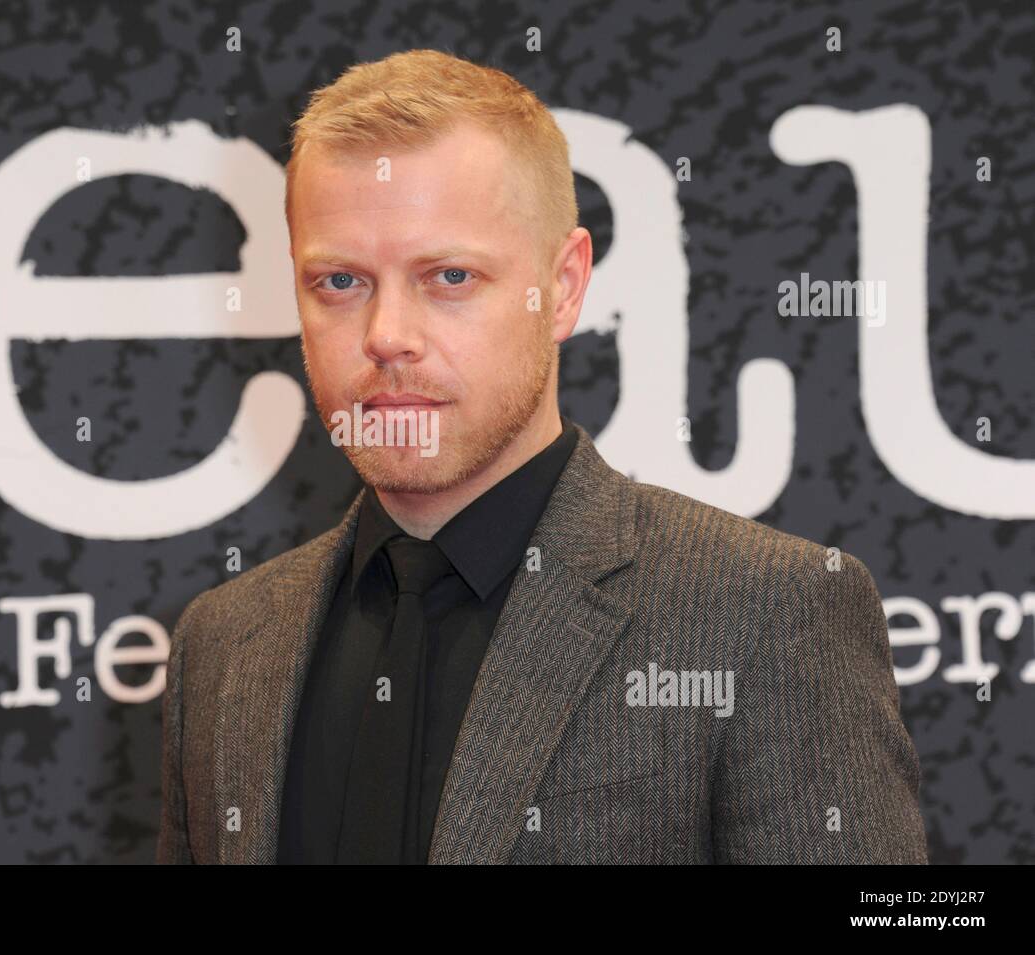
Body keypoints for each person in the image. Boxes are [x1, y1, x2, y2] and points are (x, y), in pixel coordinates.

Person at [157, 48, 927, 864]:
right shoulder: (223, 643)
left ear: (563, 286)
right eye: (340, 282)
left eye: (449, 275)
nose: (386, 336)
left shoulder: (767, 615)